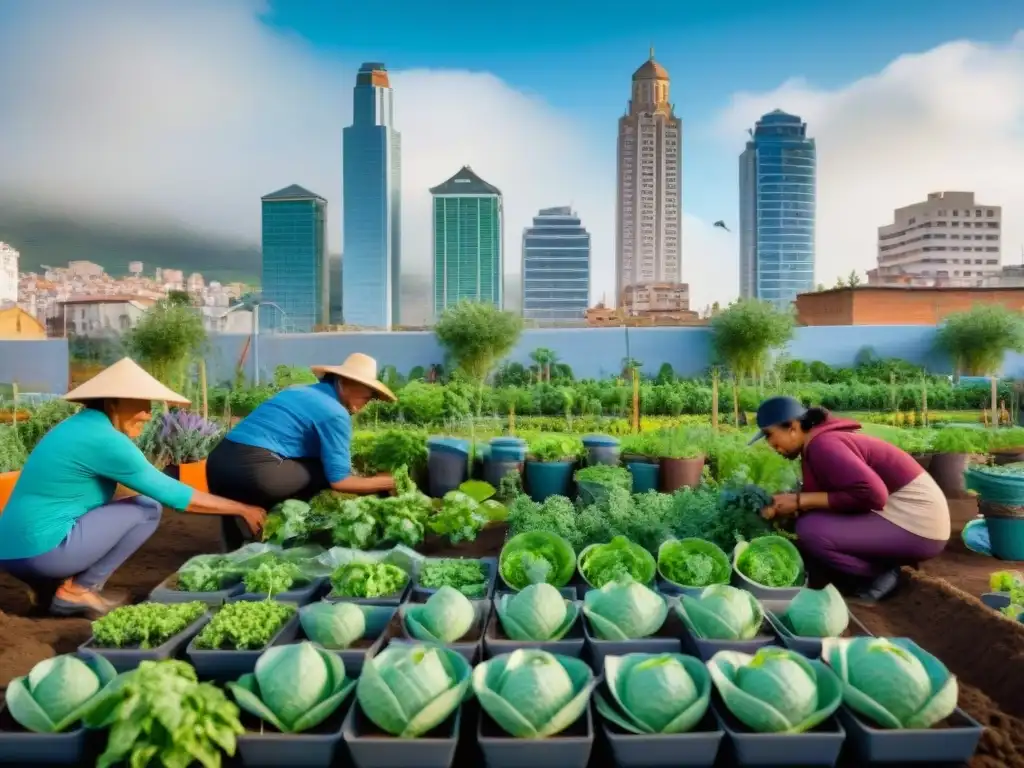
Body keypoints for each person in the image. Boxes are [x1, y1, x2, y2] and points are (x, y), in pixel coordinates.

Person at [0, 358, 268, 618]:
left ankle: (48, 591)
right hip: (43, 552)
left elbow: (117, 491)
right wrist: (242, 509)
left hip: (11, 551)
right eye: (141, 404)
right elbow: (174, 496)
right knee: (146, 509)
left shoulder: (76, 427)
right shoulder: (106, 439)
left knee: (123, 502)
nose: (147, 414)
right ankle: (79, 590)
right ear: (113, 402)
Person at [750, 395, 950, 602]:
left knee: (811, 531)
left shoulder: (823, 445)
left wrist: (801, 500)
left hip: (919, 523)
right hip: (900, 517)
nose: (770, 444)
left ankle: (880, 574)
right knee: (809, 524)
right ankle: (862, 570)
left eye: (769, 435)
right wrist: (795, 502)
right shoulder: (818, 443)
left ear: (792, 427)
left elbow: (873, 495)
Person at [206, 353, 397, 551]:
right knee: (322, 471)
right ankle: (291, 530)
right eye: (367, 393)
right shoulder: (335, 412)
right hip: (257, 471)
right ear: (344, 382)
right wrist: (390, 481)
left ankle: (234, 545)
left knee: (234, 546)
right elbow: (340, 481)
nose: (368, 400)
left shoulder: (295, 392)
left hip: (218, 463)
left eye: (372, 396)